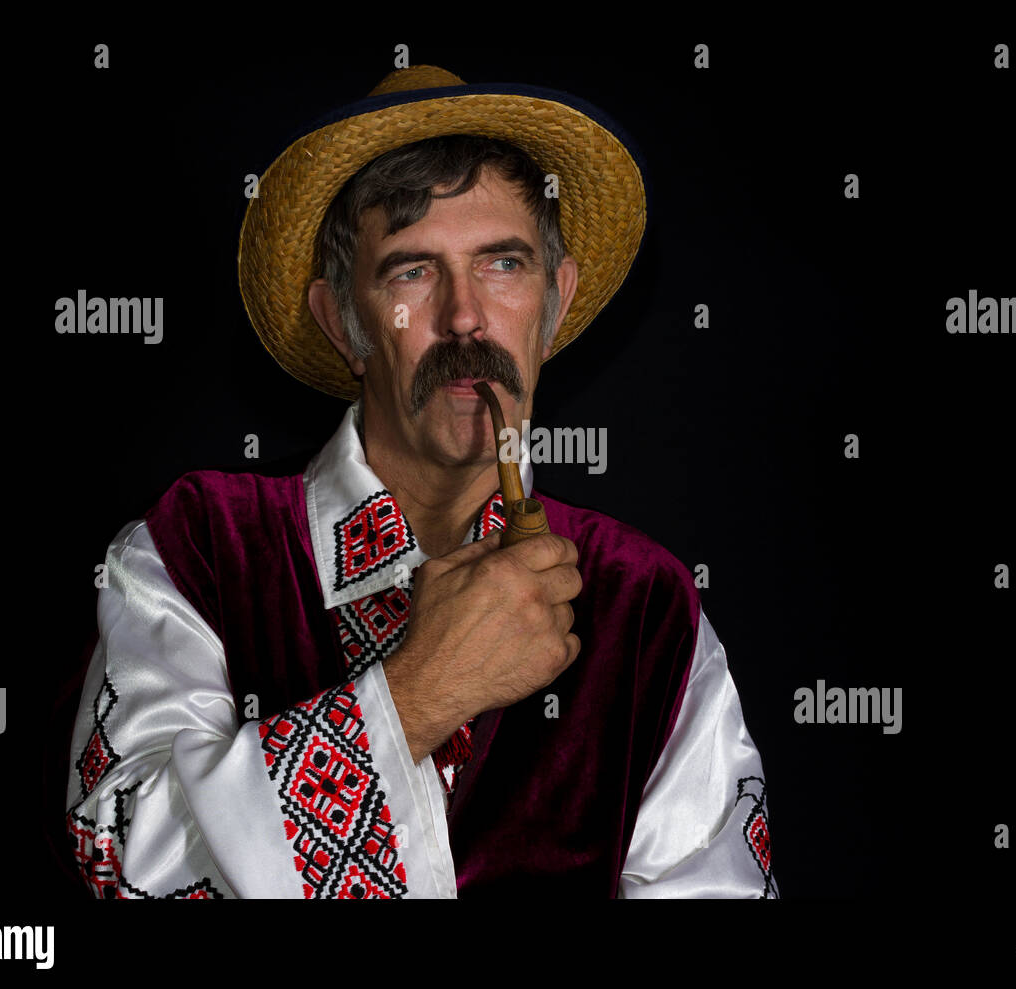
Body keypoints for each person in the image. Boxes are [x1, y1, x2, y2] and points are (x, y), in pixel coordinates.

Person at [65, 65, 779, 899]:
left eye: (503, 264)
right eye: (412, 272)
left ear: (555, 302)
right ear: (344, 322)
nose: (466, 317)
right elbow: (116, 866)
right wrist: (415, 694)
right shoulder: (195, 548)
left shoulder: (647, 604)